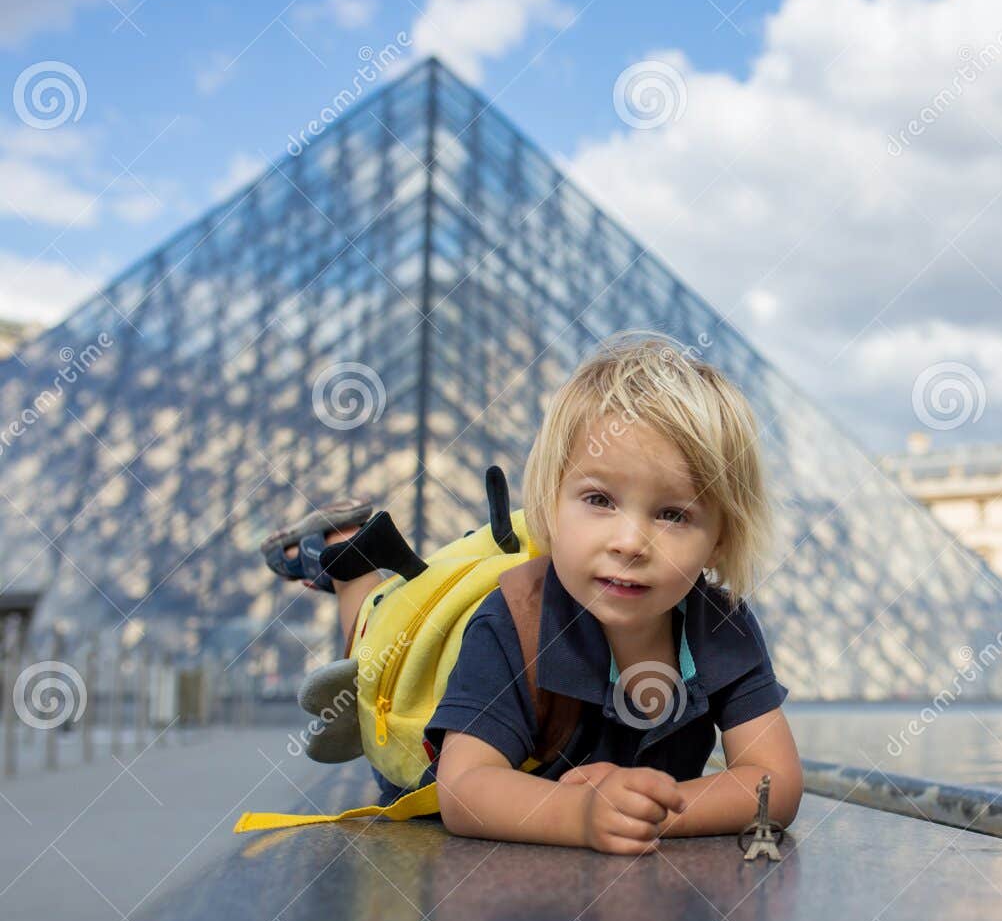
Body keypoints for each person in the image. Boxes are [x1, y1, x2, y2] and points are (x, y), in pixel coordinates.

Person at [261, 332, 802, 855]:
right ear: (547, 507)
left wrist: (651, 811)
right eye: (599, 500)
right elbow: (464, 788)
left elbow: (775, 783)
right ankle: (348, 560)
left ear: (720, 539)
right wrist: (581, 815)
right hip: (420, 732)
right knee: (368, 636)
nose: (631, 543)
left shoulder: (721, 625)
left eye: (672, 514)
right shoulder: (512, 621)